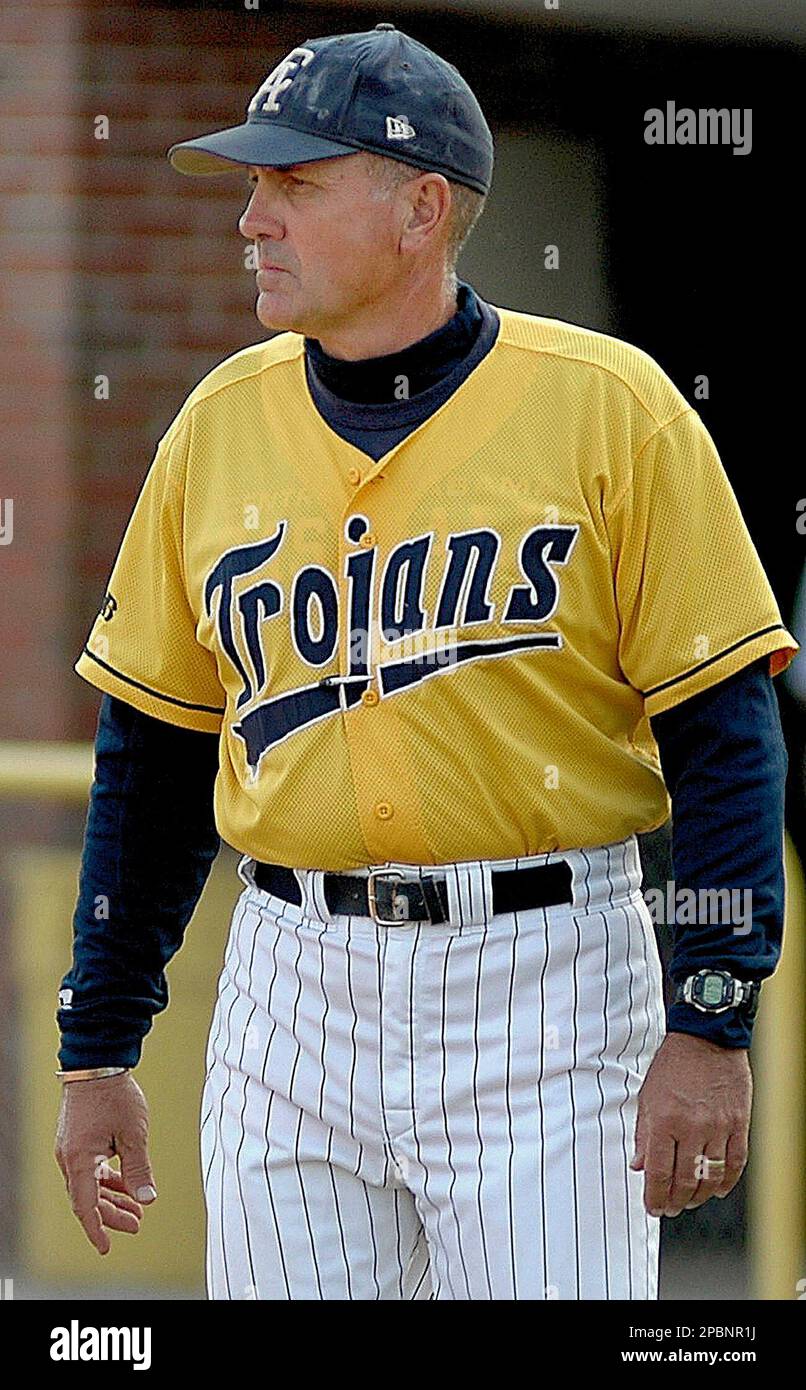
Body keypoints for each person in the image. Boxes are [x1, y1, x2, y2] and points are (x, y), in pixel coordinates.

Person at [54, 24, 799, 1300]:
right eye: (251, 184)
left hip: (547, 979)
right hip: (291, 977)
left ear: (420, 209)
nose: (250, 219)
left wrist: (711, 1019)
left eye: (292, 183)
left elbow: (726, 736)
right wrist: (97, 1046)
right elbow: (155, 762)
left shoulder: (607, 406)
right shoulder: (217, 425)